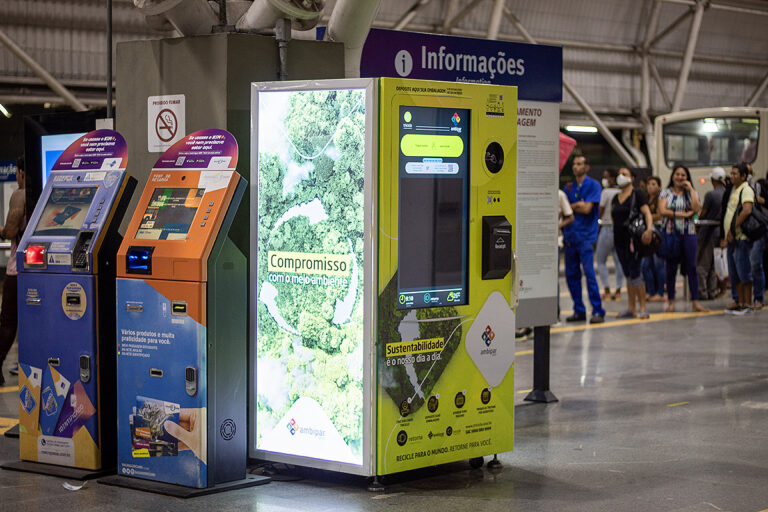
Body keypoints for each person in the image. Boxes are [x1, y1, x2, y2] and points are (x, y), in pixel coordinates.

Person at [658, 165, 708, 313]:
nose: (680, 177)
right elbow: (662, 211)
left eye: (683, 175)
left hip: (689, 233)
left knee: (692, 267)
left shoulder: (691, 193)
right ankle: (671, 301)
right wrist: (684, 215)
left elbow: (697, 208)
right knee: (671, 268)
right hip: (670, 233)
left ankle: (695, 302)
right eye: (677, 174)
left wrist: (691, 189)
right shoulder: (665, 193)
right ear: (673, 176)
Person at [562, 155, 605, 323]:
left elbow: (587, 209)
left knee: (589, 274)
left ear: (586, 167)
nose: (575, 167)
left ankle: (597, 310)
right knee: (571, 276)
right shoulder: (569, 186)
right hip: (570, 237)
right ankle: (579, 310)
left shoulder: (593, 185)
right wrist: (577, 205)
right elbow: (564, 209)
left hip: (585, 237)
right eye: (574, 164)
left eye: (579, 164)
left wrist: (574, 206)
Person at [611, 167, 654, 318]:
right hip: (619, 240)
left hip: (634, 241)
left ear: (632, 178)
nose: (620, 177)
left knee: (636, 273)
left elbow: (647, 213)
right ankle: (631, 308)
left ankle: (643, 307)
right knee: (628, 274)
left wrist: (649, 230)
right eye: (619, 174)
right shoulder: (616, 198)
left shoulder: (637, 195)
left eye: (624, 174)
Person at [0, 156, 26, 386]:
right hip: (40, 271)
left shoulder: (20, 194)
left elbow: (9, 232)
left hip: (18, 271)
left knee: (7, 322)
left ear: (21, 173)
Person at [721, 163, 755, 314]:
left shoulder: (746, 189)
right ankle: (740, 302)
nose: (732, 176)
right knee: (734, 272)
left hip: (741, 237)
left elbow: (746, 210)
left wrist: (733, 228)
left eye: (735, 174)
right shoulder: (732, 190)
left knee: (744, 271)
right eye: (731, 173)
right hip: (731, 238)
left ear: (743, 176)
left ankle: (748, 303)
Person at [696, 167, 727, 300]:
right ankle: (712, 290)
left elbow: (703, 214)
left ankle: (702, 292)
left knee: (703, 264)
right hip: (722, 232)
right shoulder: (728, 192)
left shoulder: (710, 195)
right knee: (714, 264)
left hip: (708, 232)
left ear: (713, 179)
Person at [596, 168, 623, 300]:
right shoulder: (621, 191)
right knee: (618, 261)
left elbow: (600, 211)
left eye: (606, 177)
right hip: (619, 229)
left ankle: (606, 290)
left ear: (612, 178)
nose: (605, 180)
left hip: (607, 227)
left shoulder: (605, 192)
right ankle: (618, 290)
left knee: (601, 260)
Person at [642, 176, 666, 301]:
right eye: (648, 184)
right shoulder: (645, 199)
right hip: (647, 231)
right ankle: (650, 291)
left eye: (653, 184)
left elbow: (660, 215)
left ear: (659, 187)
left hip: (658, 231)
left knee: (658, 263)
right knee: (646, 264)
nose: (650, 186)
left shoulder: (660, 199)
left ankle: (660, 292)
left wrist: (648, 217)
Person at [557, 189, 575, 321]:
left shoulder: (560, 195)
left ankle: (554, 313)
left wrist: (557, 226)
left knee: (552, 280)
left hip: (555, 242)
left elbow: (570, 216)